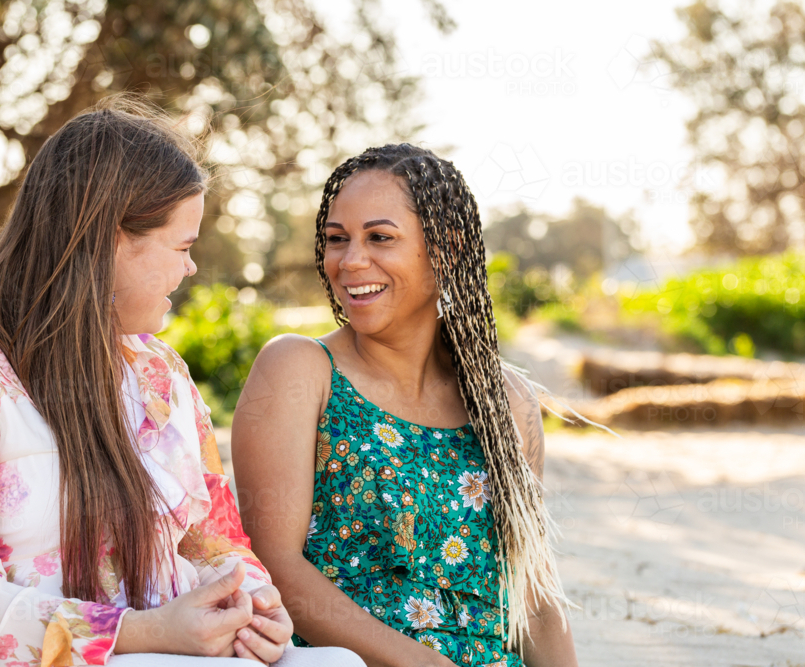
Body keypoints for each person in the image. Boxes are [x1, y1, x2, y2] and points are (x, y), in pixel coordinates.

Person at [0, 95, 364, 667]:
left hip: (165, 647)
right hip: (19, 657)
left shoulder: (163, 376)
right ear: (106, 241)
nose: (190, 268)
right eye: (182, 246)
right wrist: (143, 632)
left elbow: (216, 541)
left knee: (338, 665)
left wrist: (252, 601)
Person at [231, 144, 584, 667]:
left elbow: (532, 594)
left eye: (380, 238)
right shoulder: (299, 370)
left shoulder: (505, 402)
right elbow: (275, 567)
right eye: (336, 239)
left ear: (447, 247)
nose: (350, 261)